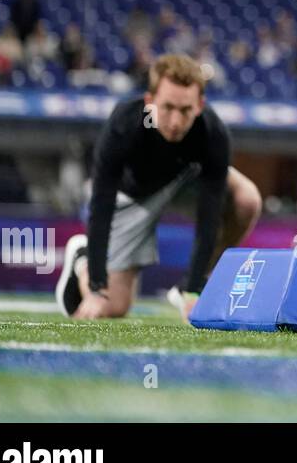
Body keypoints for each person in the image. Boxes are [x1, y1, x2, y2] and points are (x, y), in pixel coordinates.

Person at [54, 54, 261, 321]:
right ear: (150, 101)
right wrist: (96, 285)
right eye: (167, 108)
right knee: (113, 307)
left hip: (186, 180)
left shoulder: (213, 132)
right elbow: (102, 201)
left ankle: (189, 285)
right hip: (132, 197)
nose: (175, 122)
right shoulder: (126, 122)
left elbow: (209, 218)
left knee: (247, 200)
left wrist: (193, 290)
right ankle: (81, 258)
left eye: (186, 110)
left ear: (200, 105)